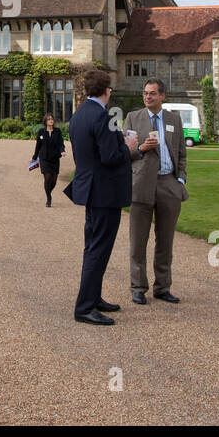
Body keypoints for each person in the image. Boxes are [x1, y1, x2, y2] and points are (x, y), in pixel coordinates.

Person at [64, 69, 136, 326]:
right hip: (105, 192)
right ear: (107, 91)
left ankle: (93, 298)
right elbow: (110, 158)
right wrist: (128, 148)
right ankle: (84, 307)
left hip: (91, 189)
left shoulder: (79, 115)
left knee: (93, 246)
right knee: (98, 248)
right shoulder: (103, 116)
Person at [125, 79, 187, 305]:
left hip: (168, 184)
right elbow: (126, 152)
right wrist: (141, 148)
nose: (148, 97)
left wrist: (180, 179)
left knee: (165, 241)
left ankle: (162, 287)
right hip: (141, 184)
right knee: (138, 241)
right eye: (145, 93)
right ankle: (138, 287)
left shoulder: (173, 120)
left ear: (163, 96)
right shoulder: (133, 118)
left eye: (152, 93)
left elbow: (181, 153)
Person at [31, 113, 66, 207]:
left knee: (54, 180)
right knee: (47, 177)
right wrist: (34, 157)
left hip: (55, 158)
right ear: (45, 121)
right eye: (49, 119)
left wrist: (62, 151)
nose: (51, 120)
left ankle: (48, 192)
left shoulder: (57, 131)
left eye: (52, 119)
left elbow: (60, 144)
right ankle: (49, 198)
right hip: (44, 158)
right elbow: (38, 145)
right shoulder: (41, 132)